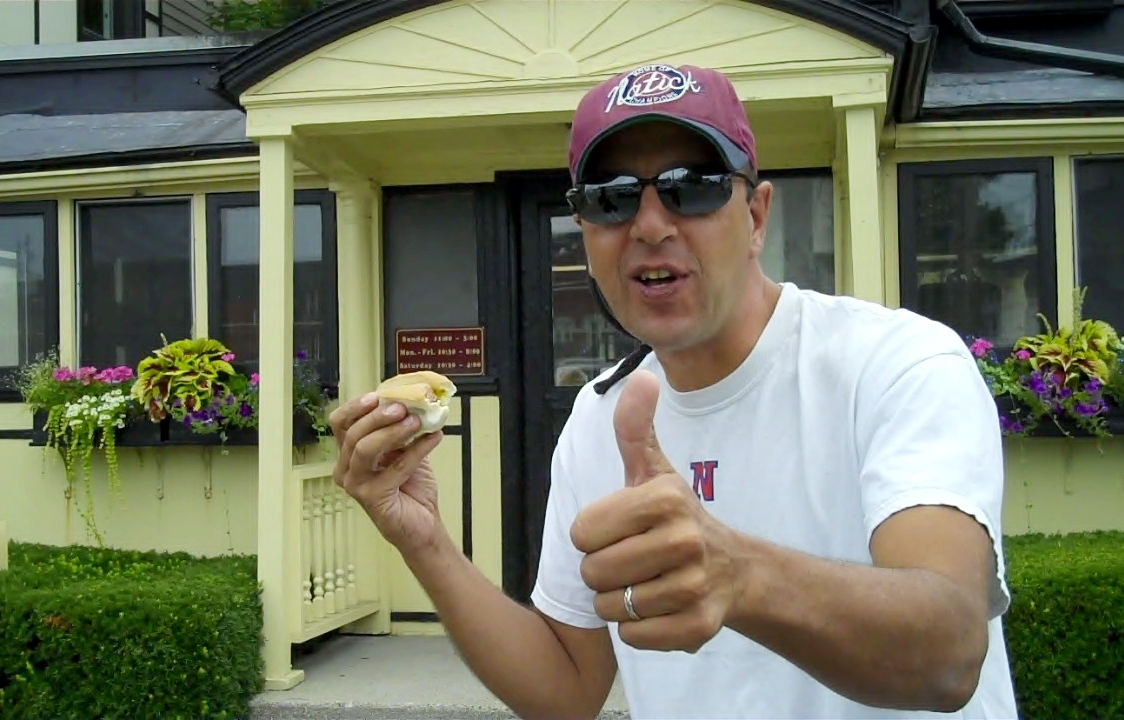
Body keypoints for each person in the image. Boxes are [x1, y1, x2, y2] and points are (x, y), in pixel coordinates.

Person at [329, 62, 1018, 719]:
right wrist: (422, 541)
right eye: (611, 198)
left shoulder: (894, 363)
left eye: (692, 186)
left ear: (755, 216)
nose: (651, 224)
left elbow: (950, 650)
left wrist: (739, 574)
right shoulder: (600, 417)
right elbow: (566, 692)